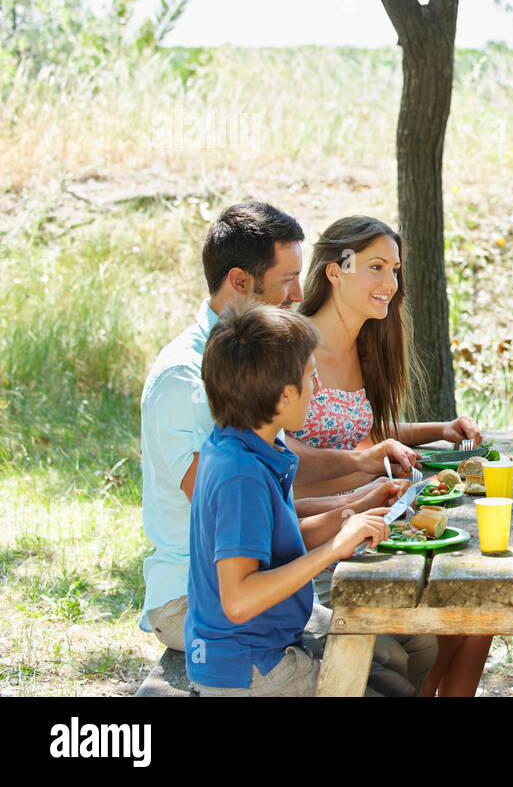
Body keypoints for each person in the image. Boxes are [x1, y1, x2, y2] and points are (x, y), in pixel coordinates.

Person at [139, 201, 408, 652]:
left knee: (408, 642)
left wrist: (360, 484)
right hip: (200, 596)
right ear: (239, 281)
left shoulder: (255, 356)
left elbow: (274, 495)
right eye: (287, 280)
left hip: (264, 575)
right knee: (381, 649)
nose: (299, 295)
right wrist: (345, 516)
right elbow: (238, 519)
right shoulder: (185, 379)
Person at [295, 215, 491, 696]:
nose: (390, 282)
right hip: (315, 539)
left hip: (369, 522)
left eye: (395, 270)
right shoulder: (293, 348)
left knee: (479, 616)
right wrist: (362, 472)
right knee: (452, 620)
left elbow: (358, 431)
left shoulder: (364, 345)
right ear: (335, 271)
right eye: (376, 267)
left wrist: (440, 430)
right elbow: (275, 454)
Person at [185, 302, 391, 695]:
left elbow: (276, 522)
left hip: (264, 642)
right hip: (249, 667)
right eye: (311, 377)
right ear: (283, 398)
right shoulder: (240, 475)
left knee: (392, 663)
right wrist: (334, 549)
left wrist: (357, 506)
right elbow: (238, 601)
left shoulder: (239, 442)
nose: (318, 389)